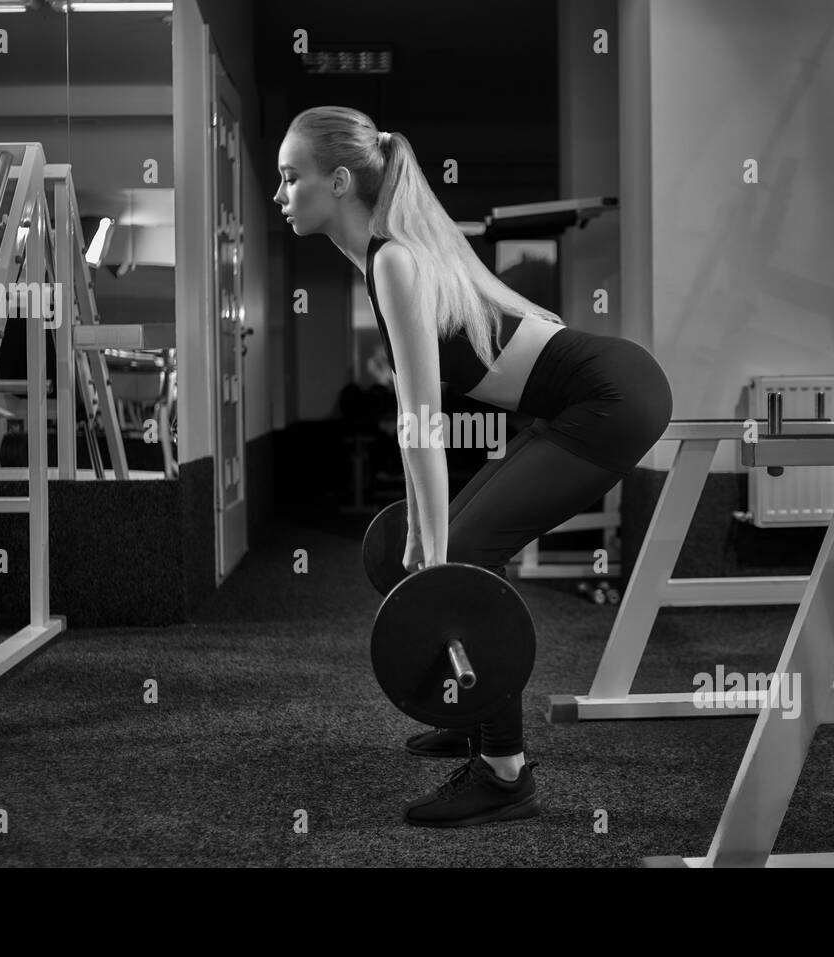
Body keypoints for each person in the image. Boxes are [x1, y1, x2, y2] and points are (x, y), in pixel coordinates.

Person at [274, 106, 673, 827]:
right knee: (458, 543)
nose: (280, 194)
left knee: (466, 554)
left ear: (337, 181)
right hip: (594, 396)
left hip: (613, 399)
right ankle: (473, 710)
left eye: (289, 177)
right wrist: (432, 538)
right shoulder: (389, 254)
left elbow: (420, 417)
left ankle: (503, 771)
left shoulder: (396, 258)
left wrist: (432, 547)